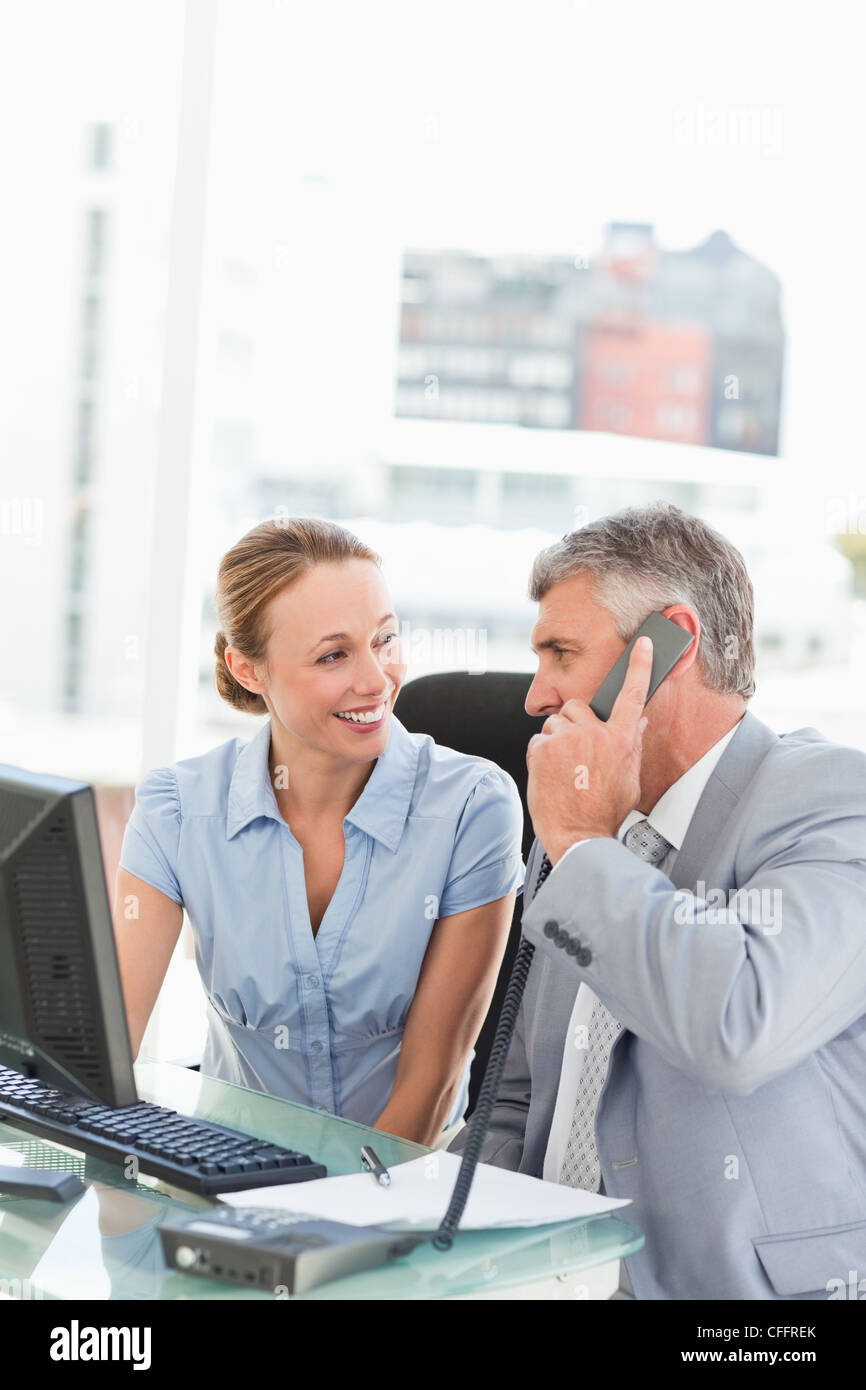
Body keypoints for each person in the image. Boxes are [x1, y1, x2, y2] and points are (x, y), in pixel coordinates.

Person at [451, 501, 866, 1300]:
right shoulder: (586, 827)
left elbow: (736, 1025)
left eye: (560, 654)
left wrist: (581, 844)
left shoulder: (832, 802)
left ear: (667, 644)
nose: (537, 695)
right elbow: (518, 1094)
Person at [115, 517, 523, 1146]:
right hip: (228, 1178)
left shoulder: (473, 807)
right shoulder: (178, 809)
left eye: (384, 639)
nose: (376, 679)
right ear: (248, 670)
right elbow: (109, 1046)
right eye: (334, 655)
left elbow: (429, 1089)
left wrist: (328, 1229)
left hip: (401, 1187)